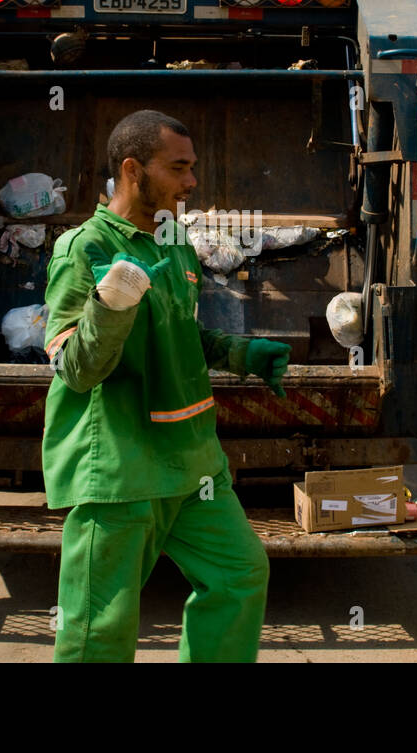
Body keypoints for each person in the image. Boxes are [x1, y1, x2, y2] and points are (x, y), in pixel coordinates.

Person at [41, 109, 289, 663]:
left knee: (239, 576)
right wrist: (110, 304)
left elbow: (179, 331)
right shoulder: (83, 249)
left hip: (192, 461)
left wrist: (237, 352)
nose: (192, 182)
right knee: (98, 625)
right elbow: (76, 368)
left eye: (192, 167)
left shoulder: (175, 243)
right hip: (121, 466)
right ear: (133, 170)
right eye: (179, 168)